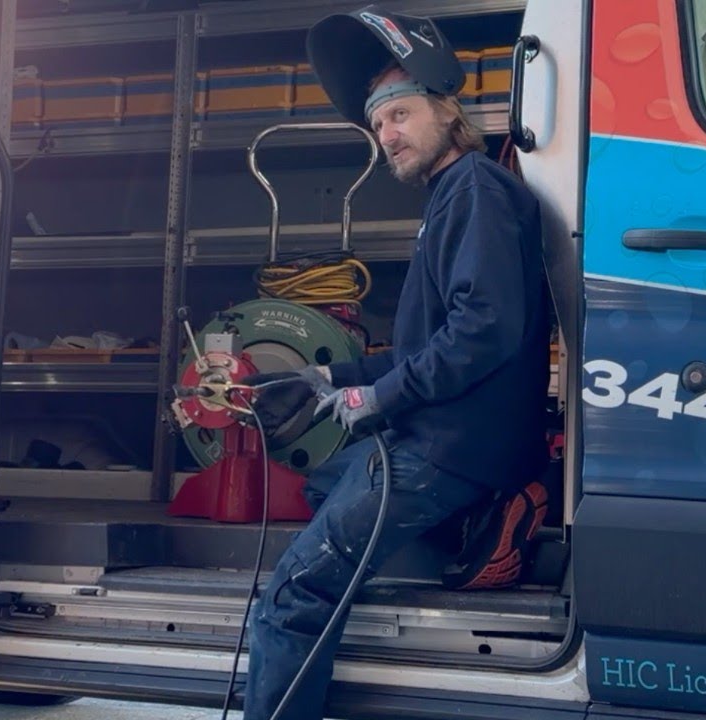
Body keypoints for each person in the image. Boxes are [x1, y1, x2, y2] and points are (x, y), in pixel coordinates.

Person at [240, 6, 552, 719]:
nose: (387, 136)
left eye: (401, 115)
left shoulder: (474, 190)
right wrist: (331, 379)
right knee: (325, 483)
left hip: (448, 455)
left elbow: (483, 330)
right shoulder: (453, 196)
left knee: (291, 598)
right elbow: (422, 349)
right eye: (379, 125)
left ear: (447, 109)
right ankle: (421, 556)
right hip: (443, 445)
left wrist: (378, 400)